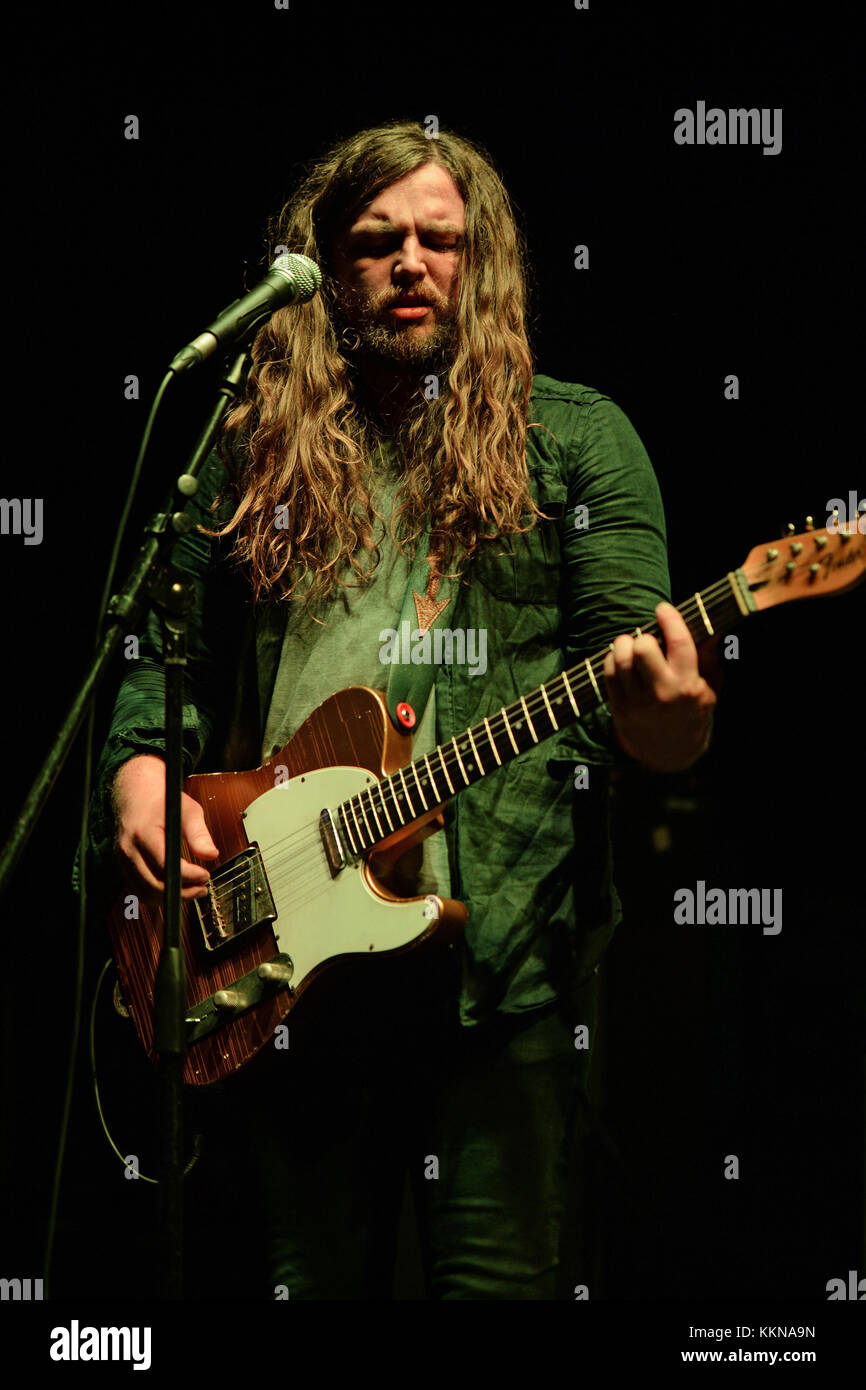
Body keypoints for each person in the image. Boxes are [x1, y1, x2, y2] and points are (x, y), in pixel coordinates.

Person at [86, 120, 716, 1300]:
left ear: (485, 268)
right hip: (276, 951)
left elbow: (638, 710)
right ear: (324, 266)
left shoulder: (576, 444)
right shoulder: (250, 451)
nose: (410, 264)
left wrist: (671, 717)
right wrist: (137, 770)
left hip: (495, 973)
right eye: (376, 242)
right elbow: (154, 643)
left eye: (440, 240)